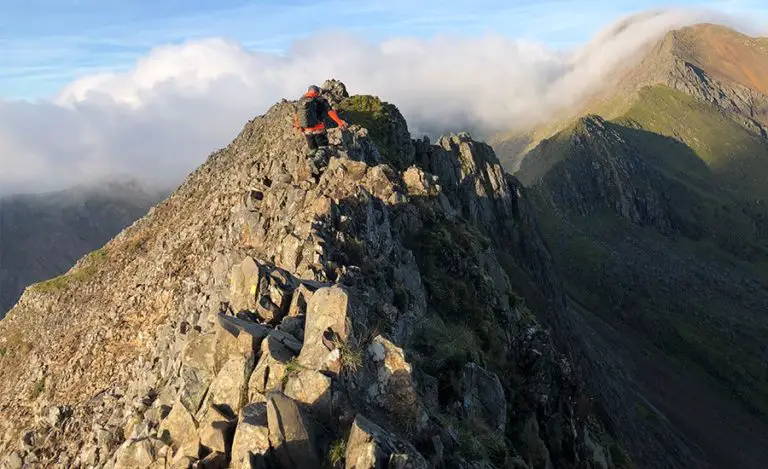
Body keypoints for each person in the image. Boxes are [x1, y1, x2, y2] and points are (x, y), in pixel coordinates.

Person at [294, 85, 348, 173]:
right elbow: (330, 112)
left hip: (307, 130)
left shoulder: (301, 100)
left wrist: (299, 128)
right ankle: (316, 163)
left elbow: (296, 116)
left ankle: (312, 171)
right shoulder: (321, 100)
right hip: (318, 129)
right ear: (317, 92)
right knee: (323, 148)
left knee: (312, 150)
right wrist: (340, 123)